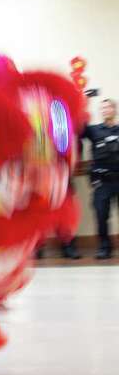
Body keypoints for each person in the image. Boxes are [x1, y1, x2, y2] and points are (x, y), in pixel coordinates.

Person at [81, 98, 119, 259]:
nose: (105, 111)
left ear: (114, 110)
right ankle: (104, 247)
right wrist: (82, 103)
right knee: (101, 214)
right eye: (102, 109)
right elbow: (77, 129)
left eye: (108, 108)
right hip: (102, 181)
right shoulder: (94, 130)